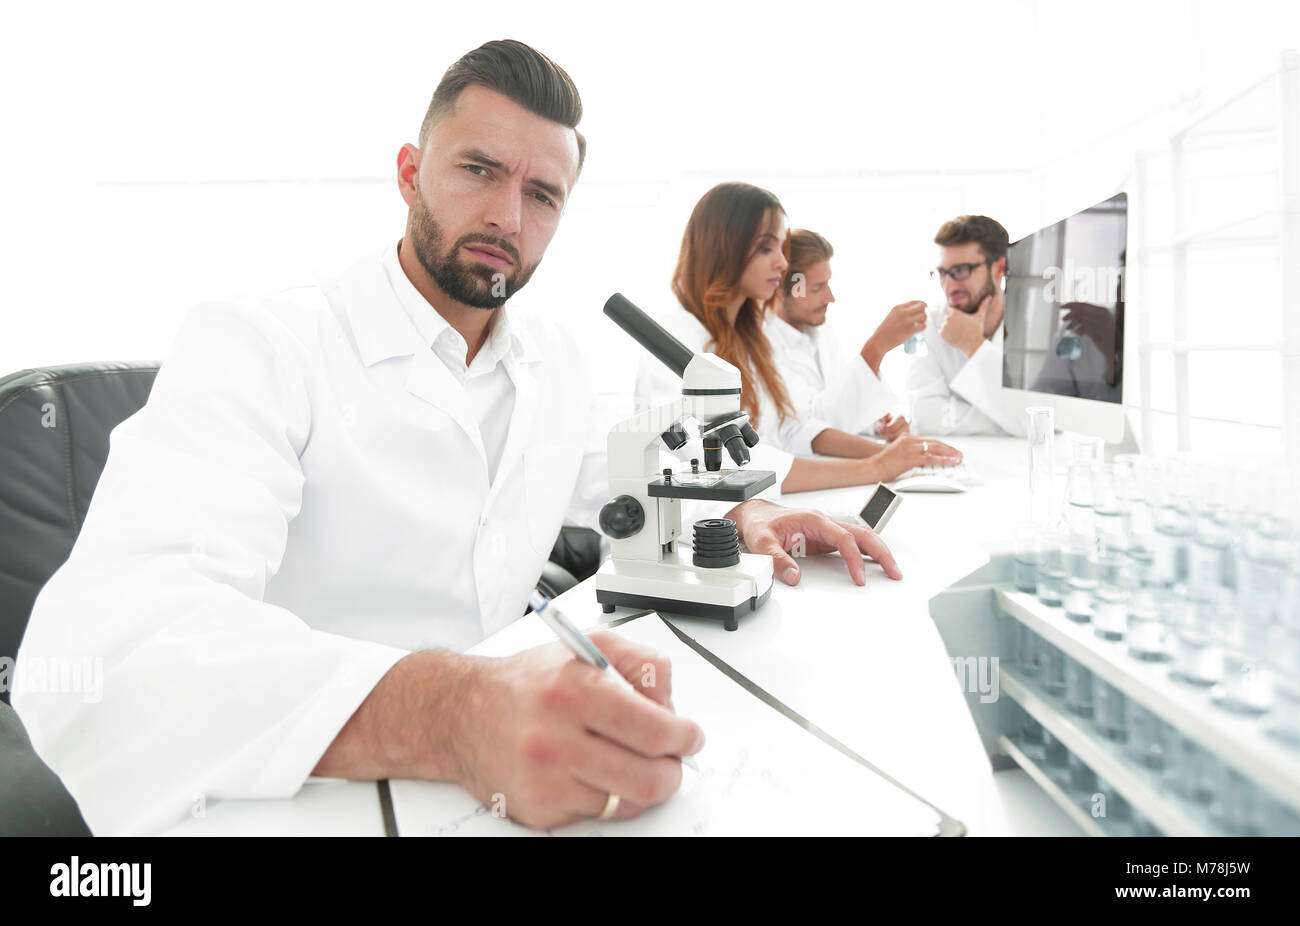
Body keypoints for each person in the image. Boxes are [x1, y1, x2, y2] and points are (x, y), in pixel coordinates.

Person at [13, 41, 902, 835]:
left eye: (542, 194)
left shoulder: (549, 358)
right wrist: (451, 713)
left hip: (506, 786)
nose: (508, 218)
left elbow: (621, 476)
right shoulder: (259, 341)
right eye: (478, 170)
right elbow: (99, 652)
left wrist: (748, 512)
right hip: (303, 789)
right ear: (408, 172)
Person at [637, 183, 961, 493]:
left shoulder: (750, 343)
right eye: (767, 248)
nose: (781, 262)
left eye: (781, 246)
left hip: (774, 502)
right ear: (723, 249)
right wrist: (875, 467)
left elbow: (791, 431)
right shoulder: (676, 341)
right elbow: (716, 467)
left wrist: (888, 454)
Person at [766, 228, 944, 448]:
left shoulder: (819, 330)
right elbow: (810, 430)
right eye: (817, 288)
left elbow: (840, 400)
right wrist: (876, 347)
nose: (830, 297)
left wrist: (879, 422)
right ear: (779, 290)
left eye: (827, 283)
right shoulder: (762, 346)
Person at [905, 214, 1026, 436]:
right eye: (942, 273)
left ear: (1000, 268)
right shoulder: (929, 323)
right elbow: (925, 416)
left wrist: (974, 346)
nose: (949, 286)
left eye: (960, 271)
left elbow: (1043, 419)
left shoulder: (1033, 320)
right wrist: (1008, 421)